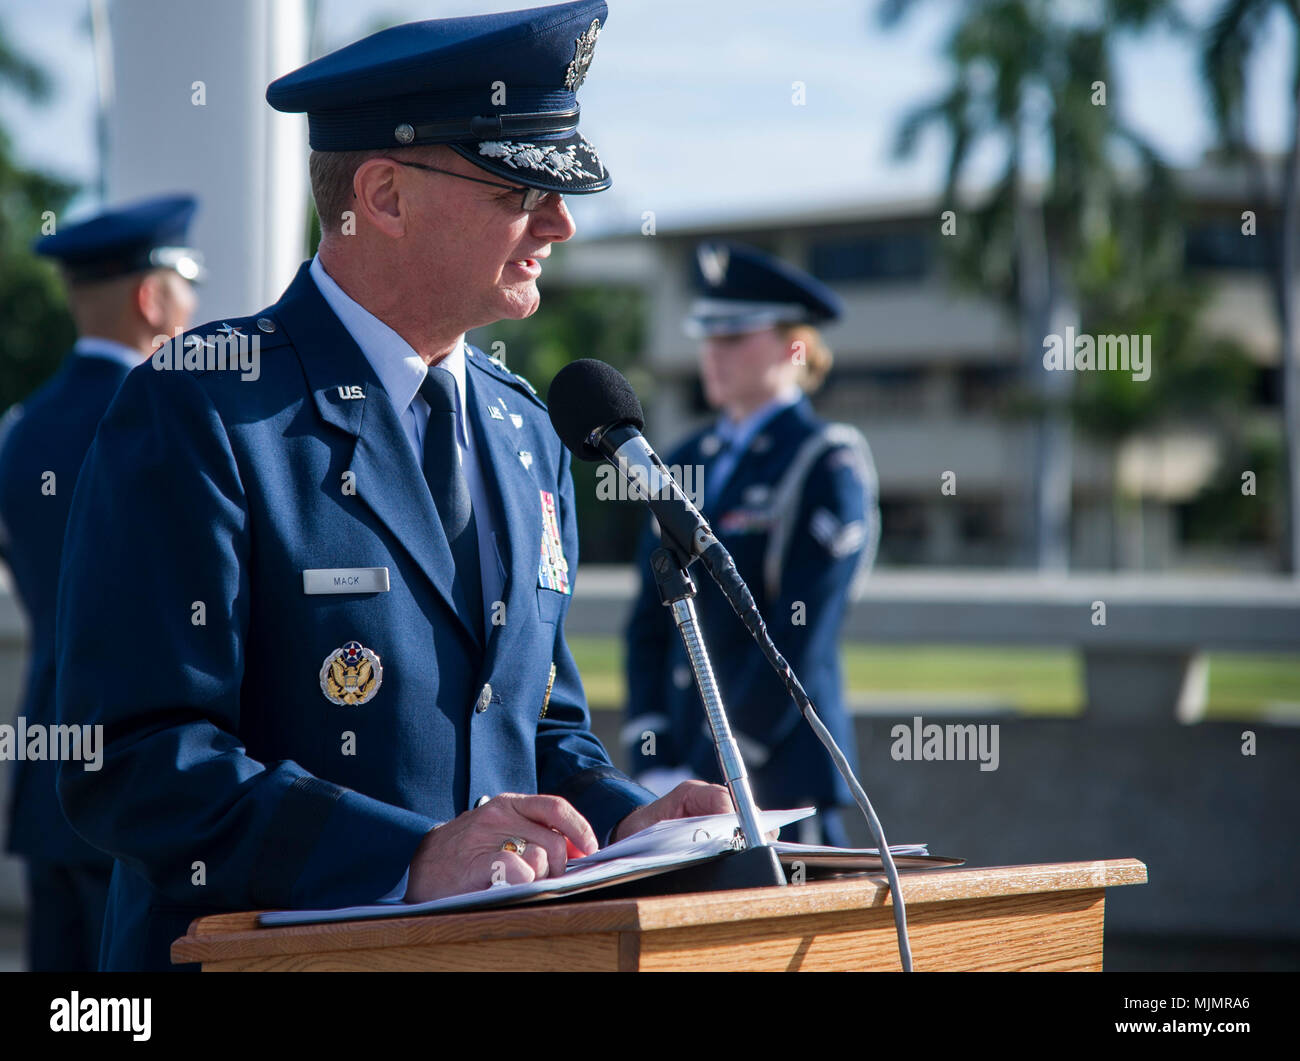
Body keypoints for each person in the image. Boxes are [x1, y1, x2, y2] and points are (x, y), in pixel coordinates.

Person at [54, 0, 729, 972]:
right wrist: (404, 857)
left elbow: (536, 729)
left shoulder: (529, 431)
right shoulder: (202, 407)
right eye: (516, 188)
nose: (560, 222)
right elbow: (129, 759)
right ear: (383, 194)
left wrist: (633, 824)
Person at [0, 194, 203, 970]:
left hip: (49, 766)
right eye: (189, 284)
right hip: (143, 778)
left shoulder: (22, 425)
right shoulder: (161, 413)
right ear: (151, 297)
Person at [623, 240, 880, 848]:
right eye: (708, 336)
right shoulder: (681, 460)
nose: (714, 353)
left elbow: (801, 632)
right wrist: (652, 746)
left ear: (797, 347)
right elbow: (648, 619)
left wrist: (722, 759)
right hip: (683, 775)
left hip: (778, 774)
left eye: (735, 337)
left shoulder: (826, 461)